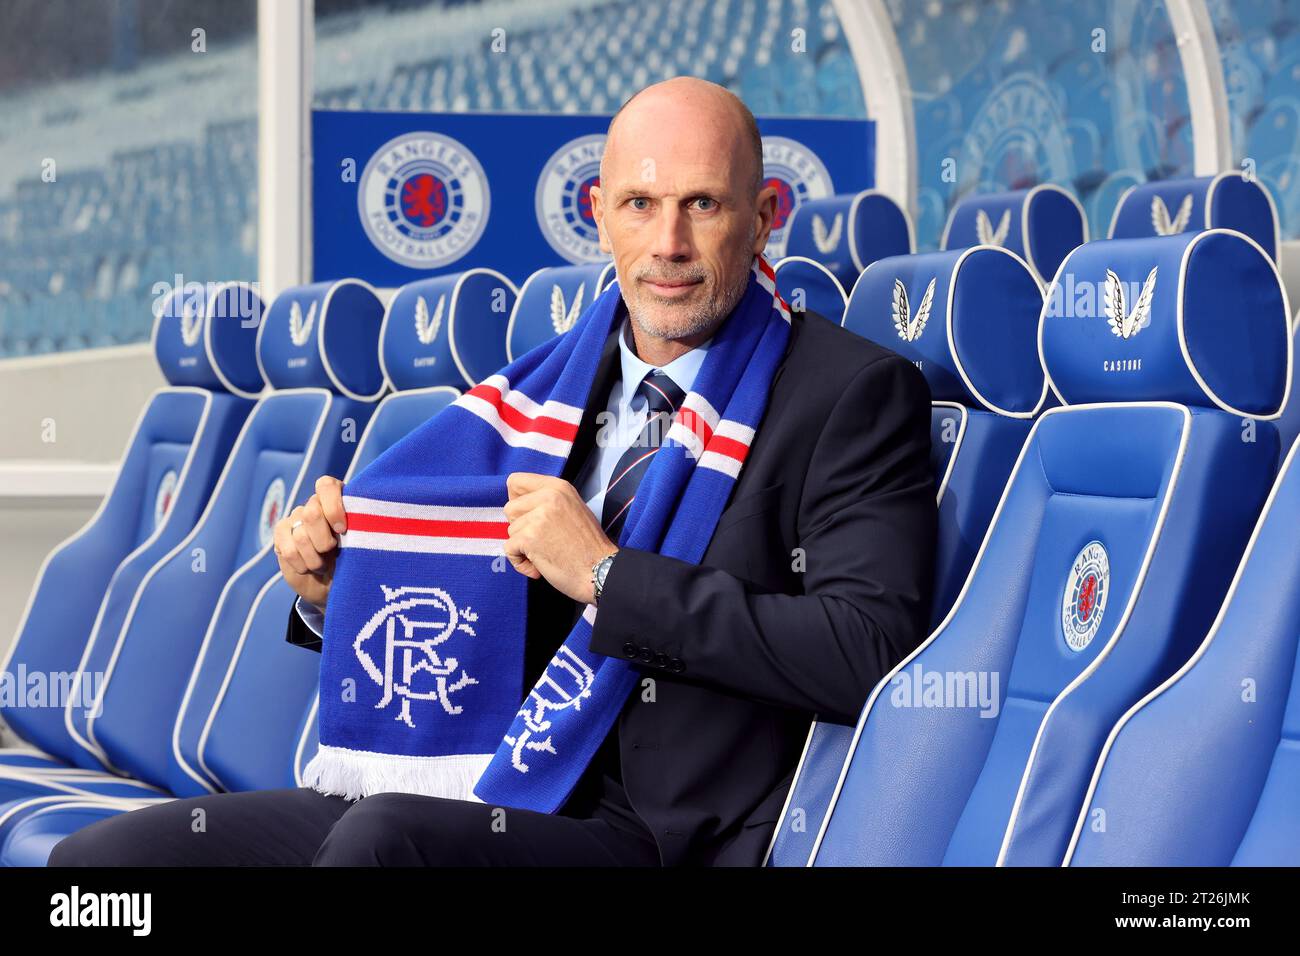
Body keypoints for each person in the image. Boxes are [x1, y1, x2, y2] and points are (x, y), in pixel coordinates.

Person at [49, 76, 935, 867]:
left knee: (381, 843)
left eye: (702, 204)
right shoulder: (541, 385)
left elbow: (864, 651)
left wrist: (605, 574)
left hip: (642, 826)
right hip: (472, 771)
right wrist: (335, 591)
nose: (667, 241)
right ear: (598, 213)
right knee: (102, 862)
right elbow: (457, 599)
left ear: (763, 216)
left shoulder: (850, 394)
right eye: (640, 203)